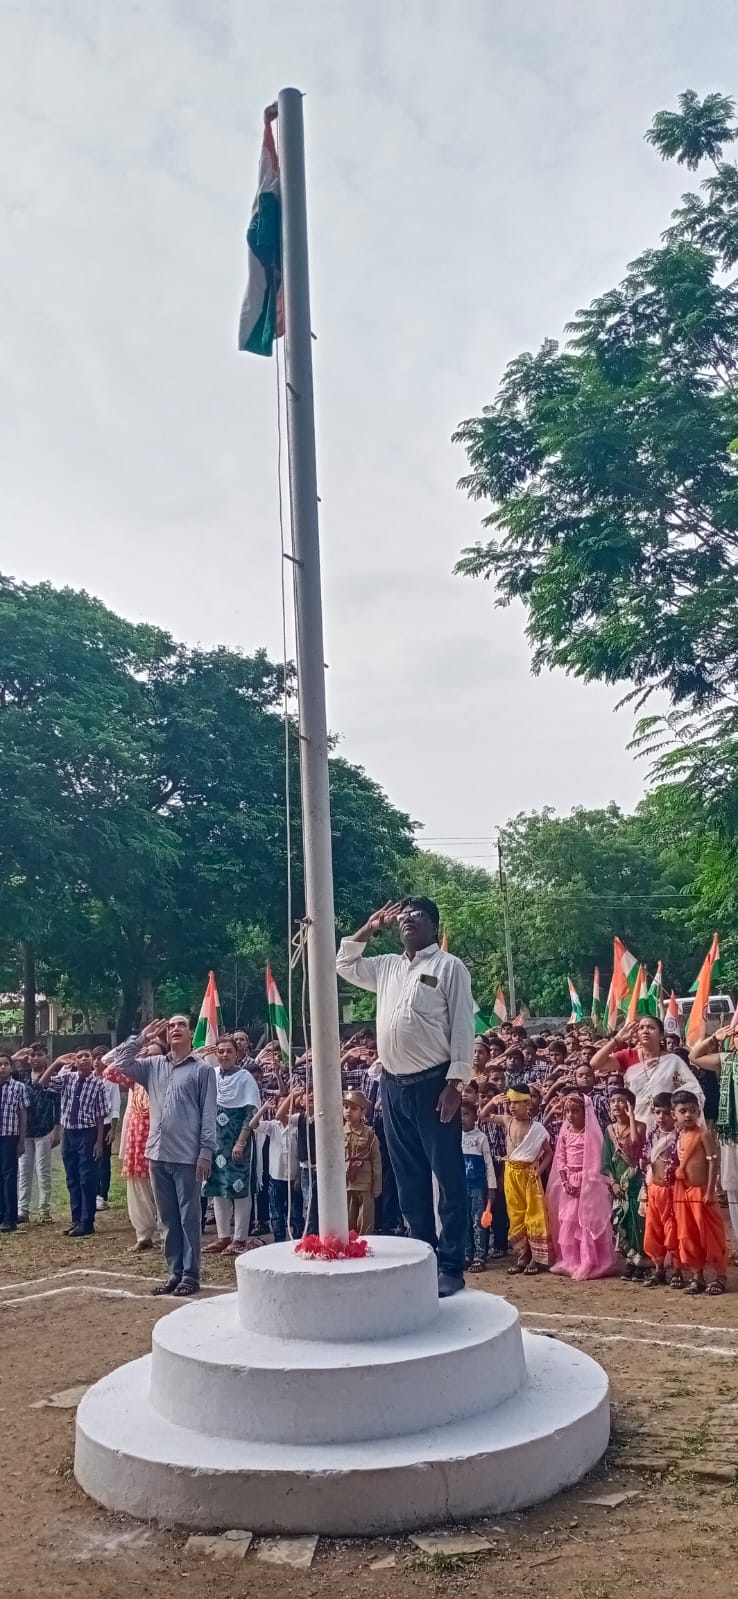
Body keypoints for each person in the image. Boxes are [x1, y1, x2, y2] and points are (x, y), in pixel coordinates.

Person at [337, 896, 474, 1298]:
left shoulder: (448, 967)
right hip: (394, 1086)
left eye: (417, 917)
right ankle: (422, 1256)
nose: (408, 921)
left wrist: (456, 1083)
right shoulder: (387, 966)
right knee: (409, 1177)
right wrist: (368, 928)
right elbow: (344, 964)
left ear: (432, 925)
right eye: (403, 917)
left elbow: (463, 1027)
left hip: (435, 1086)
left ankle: (451, 1263)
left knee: (447, 1177)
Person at [104, 1015, 217, 1295]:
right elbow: (118, 1064)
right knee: (167, 1218)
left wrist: (205, 1152)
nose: (175, 1029)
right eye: (171, 1026)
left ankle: (190, 1274)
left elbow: (208, 1115)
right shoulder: (153, 1066)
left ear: (191, 1033)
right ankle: (174, 1272)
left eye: (181, 1025)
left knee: (189, 1216)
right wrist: (141, 1038)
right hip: (157, 1154)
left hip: (188, 1156)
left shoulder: (202, 1070)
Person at [481, 1083, 552, 1274]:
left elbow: (548, 1153)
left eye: (517, 1103)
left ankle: (536, 1259)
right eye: (510, 1102)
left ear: (527, 1103)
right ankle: (522, 1256)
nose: (512, 1106)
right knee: (516, 1215)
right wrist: (494, 1101)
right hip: (511, 1173)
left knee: (533, 1215)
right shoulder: (507, 1120)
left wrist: (539, 1171)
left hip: (529, 1174)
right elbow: (483, 1116)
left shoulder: (536, 1128)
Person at [202, 1036, 261, 1257]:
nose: (224, 1055)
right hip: (216, 1141)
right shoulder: (212, 1075)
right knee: (218, 1187)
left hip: (238, 1141)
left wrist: (241, 1141)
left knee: (239, 1188)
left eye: (229, 1051)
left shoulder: (245, 1078)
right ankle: (222, 1236)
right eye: (220, 1051)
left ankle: (240, 1238)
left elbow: (251, 1112)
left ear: (237, 1054)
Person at [548, 1092, 616, 1280]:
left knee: (585, 1222)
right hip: (568, 1182)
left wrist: (584, 1183)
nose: (570, 1115)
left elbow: (595, 1162)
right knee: (569, 1222)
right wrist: (564, 1180)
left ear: (585, 1112)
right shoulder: (565, 1131)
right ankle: (570, 1261)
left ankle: (590, 1261)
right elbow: (560, 1156)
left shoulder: (591, 1134)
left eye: (575, 1111)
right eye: (567, 1111)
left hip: (587, 1185)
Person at [592, 1017, 704, 1130]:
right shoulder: (628, 1055)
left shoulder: (673, 1061)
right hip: (636, 1123)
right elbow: (595, 1063)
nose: (645, 1031)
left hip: (666, 1124)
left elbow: (691, 1091)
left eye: (651, 1028)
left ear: (661, 1035)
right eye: (641, 1028)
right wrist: (617, 1040)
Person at [39, 1048, 106, 1236]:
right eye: (80, 1056)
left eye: (87, 1056)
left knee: (87, 1177)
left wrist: (99, 1142)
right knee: (72, 1178)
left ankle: (87, 1221)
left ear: (92, 1061)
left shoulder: (98, 1084)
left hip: (88, 1133)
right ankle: (76, 1219)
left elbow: (101, 1115)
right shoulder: (67, 1078)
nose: (84, 1059)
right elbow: (42, 1083)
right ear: (75, 1062)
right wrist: (57, 1062)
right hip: (69, 1133)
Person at [689, 1020, 738, 1255]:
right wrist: (714, 1038)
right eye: (735, 1034)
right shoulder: (726, 1060)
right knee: (733, 1188)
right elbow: (695, 1056)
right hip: (732, 1134)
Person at [672, 1089, 728, 1295]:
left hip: (702, 1194)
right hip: (684, 1194)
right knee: (688, 1234)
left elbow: (714, 1163)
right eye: (683, 1111)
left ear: (698, 1112)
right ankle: (698, 1275)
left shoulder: (703, 1134)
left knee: (711, 1235)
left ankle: (720, 1276)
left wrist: (710, 1191)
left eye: (693, 1110)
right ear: (674, 1114)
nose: (688, 1115)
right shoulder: (679, 1135)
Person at [601, 1086, 646, 1280]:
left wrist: (632, 1117)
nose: (616, 1105)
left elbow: (636, 1144)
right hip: (619, 1183)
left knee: (638, 1221)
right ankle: (630, 1260)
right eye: (613, 1101)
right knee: (623, 1222)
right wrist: (613, 1183)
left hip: (635, 1181)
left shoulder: (641, 1126)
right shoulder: (609, 1129)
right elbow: (606, 1161)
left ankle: (643, 1263)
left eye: (621, 1101)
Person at [14, 1045, 58, 1223]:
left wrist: (57, 1129)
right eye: (32, 1055)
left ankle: (44, 1210)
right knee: (24, 1172)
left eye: (40, 1055)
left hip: (44, 1130)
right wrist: (16, 1057)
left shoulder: (53, 1078)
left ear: (46, 1057)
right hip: (25, 1132)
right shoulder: (21, 1076)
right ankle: (23, 1210)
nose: (35, 1058)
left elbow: (58, 1104)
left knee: (43, 1171)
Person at [641, 1091, 680, 1288]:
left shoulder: (678, 1136)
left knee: (673, 1230)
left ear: (674, 1114)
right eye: (657, 1113)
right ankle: (659, 1270)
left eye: (666, 1113)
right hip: (653, 1189)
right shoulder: (653, 1135)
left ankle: (678, 1270)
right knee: (653, 1230)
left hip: (671, 1191)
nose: (661, 1117)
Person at [251, 1091, 301, 1242]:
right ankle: (279, 1241)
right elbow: (253, 1124)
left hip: (294, 1177)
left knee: (296, 1213)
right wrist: (264, 1108)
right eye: (282, 1105)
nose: (286, 1108)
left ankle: (298, 1240)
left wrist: (299, 1175)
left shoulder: (298, 1125)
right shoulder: (272, 1126)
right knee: (277, 1214)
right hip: (276, 1177)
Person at [460, 1098, 496, 1273]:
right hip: (460, 1186)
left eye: (466, 1115)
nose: (462, 1119)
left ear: (475, 1117)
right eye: (459, 1115)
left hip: (477, 1186)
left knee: (478, 1222)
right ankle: (466, 1255)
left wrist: (492, 1188)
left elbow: (489, 1164)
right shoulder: (454, 1137)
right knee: (464, 1221)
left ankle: (479, 1256)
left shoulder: (481, 1138)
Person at [479, 1064, 509, 1258]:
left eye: (491, 1096)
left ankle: (500, 1244)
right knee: (481, 1204)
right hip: (480, 1164)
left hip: (499, 1164)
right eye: (483, 1096)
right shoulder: (472, 1116)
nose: (486, 1100)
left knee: (499, 1205)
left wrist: (501, 1173)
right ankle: (483, 1243)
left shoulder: (501, 1116)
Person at [343, 1088, 382, 1235]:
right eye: (346, 1107)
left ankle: (365, 1244)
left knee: (365, 1218)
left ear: (363, 1113)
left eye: (353, 1108)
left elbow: (376, 1160)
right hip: (347, 1181)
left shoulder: (369, 1134)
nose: (348, 1111)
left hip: (365, 1182)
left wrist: (377, 1185)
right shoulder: (340, 1132)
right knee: (347, 1218)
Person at [0, 1052, 28, 1232]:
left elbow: (23, 1115)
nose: (2, 1067)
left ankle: (10, 1217)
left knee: (9, 1176)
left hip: (9, 1137)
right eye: (0, 1064)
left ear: (11, 1067)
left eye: (6, 1064)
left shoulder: (18, 1087)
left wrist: (21, 1140)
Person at [94, 1053, 120, 1212]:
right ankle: (93, 1192)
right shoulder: (88, 1078)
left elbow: (115, 1107)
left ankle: (102, 1195)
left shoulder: (111, 1081)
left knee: (103, 1161)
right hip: (89, 1125)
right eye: (95, 1058)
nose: (97, 1061)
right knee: (91, 1161)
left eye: (101, 1058)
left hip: (105, 1124)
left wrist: (112, 1129)